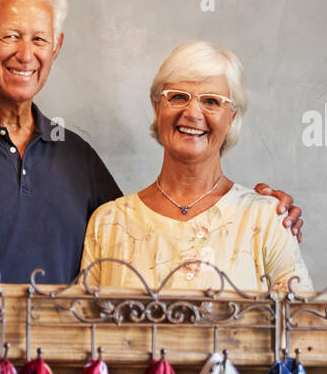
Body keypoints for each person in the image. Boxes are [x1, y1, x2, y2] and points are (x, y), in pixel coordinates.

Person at [0, 0, 303, 285]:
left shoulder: (74, 155)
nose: (26, 54)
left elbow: (146, 230)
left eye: (40, 40)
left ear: (56, 47)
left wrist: (260, 210)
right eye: (10, 36)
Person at [81, 41, 312, 293]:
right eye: (178, 97)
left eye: (211, 101)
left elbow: (299, 327)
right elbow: (86, 330)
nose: (192, 113)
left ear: (231, 118)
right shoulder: (107, 223)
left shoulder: (267, 220)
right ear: (157, 109)